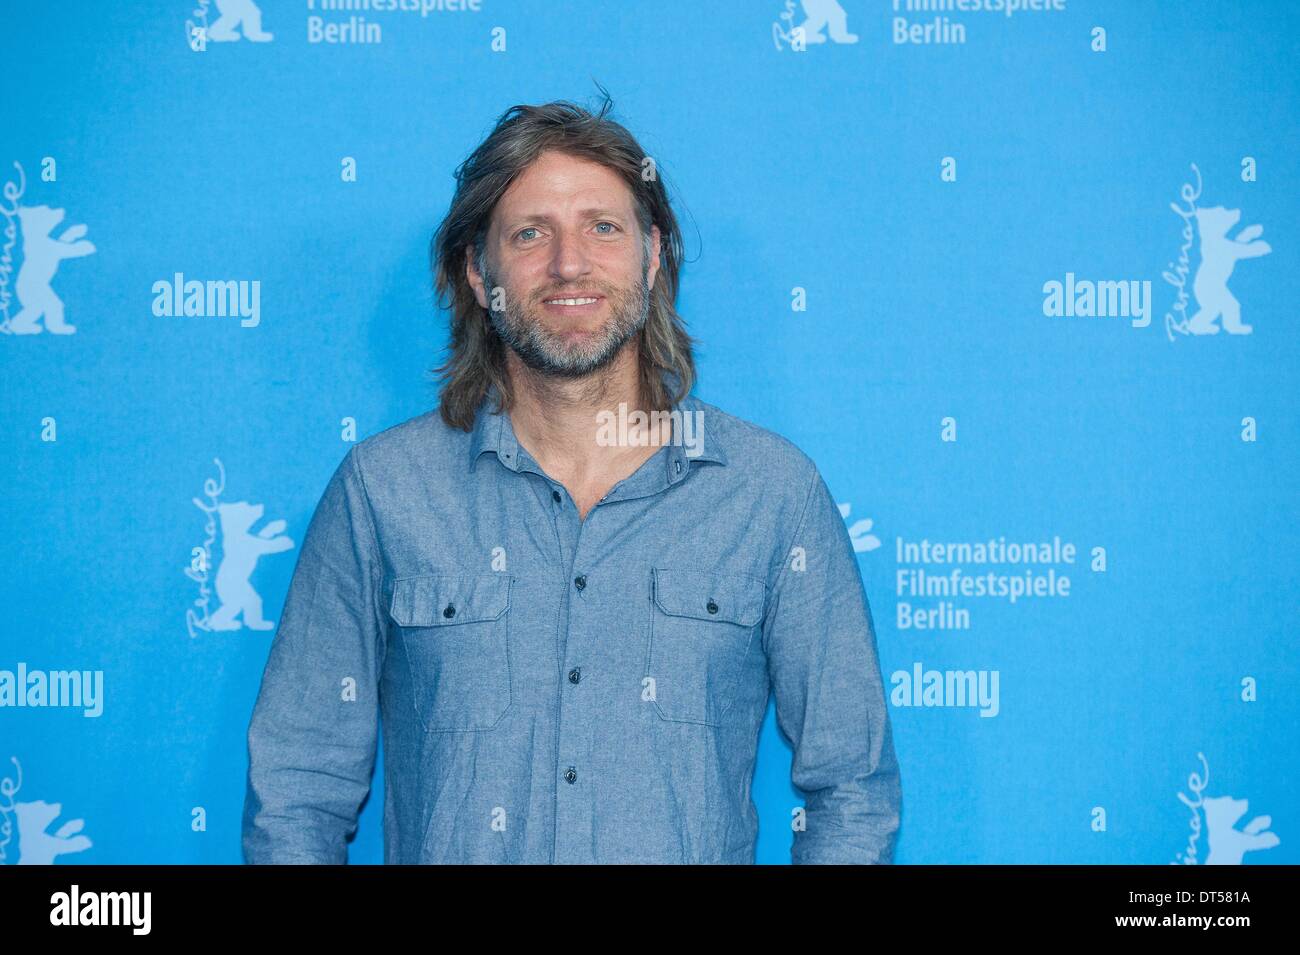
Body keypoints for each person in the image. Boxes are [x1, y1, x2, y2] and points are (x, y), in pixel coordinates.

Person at [241, 93, 902, 864]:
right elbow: (298, 790)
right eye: (530, 234)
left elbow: (853, 787)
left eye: (603, 227)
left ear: (653, 256)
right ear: (478, 272)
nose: (569, 264)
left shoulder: (770, 493)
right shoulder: (382, 490)